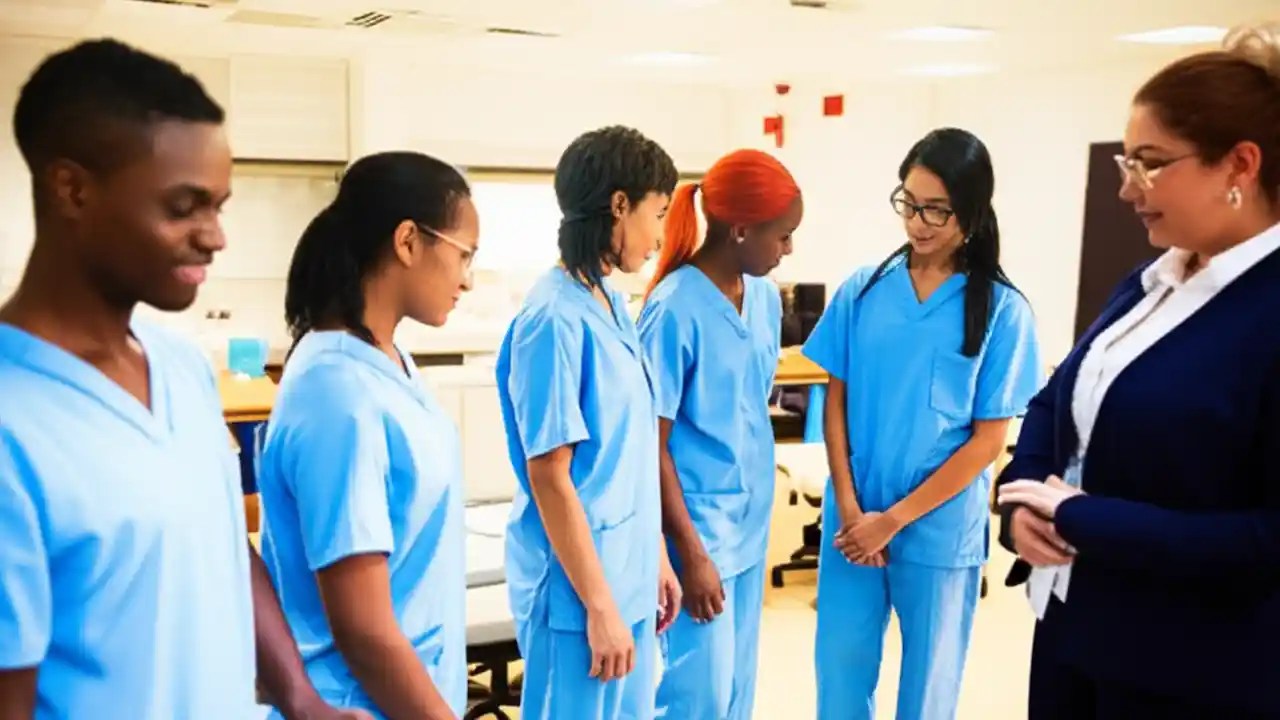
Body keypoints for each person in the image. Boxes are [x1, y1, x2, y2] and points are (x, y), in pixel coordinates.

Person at [0, 39, 368, 720]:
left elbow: (223, 540)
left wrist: (299, 697)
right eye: (183, 207)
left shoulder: (181, 368)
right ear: (72, 189)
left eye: (218, 206)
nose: (215, 236)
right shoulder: (15, 421)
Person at [996, 24, 1280, 719]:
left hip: (1193, 669)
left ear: (1240, 165)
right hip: (1072, 625)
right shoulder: (1152, 282)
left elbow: (1267, 539)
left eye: (1149, 164)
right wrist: (1022, 500)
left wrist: (1083, 516)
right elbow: (1057, 399)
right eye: (1128, 163)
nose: (1128, 189)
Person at [802, 127, 1042, 720]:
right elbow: (835, 403)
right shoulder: (863, 291)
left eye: (937, 209)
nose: (918, 222)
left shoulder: (1004, 312)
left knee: (928, 688)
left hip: (938, 527)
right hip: (853, 519)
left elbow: (988, 442)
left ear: (972, 211)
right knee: (840, 672)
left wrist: (893, 521)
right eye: (909, 203)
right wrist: (853, 509)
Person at [255, 152, 479, 719]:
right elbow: (363, 630)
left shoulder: (385, 358)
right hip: (360, 704)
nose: (467, 280)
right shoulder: (337, 393)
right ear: (408, 241)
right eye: (464, 255)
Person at [495, 125, 682, 720]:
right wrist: (599, 606)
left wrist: (655, 555)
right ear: (619, 205)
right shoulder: (552, 318)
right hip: (578, 596)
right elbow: (551, 475)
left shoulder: (610, 302)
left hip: (626, 574)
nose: (660, 235)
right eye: (658, 213)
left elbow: (627, 456)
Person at [637, 148, 801, 720]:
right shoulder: (673, 308)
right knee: (697, 697)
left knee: (736, 693)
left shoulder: (763, 297)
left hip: (749, 523)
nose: (788, 249)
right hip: (699, 531)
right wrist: (690, 553)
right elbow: (650, 445)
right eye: (783, 236)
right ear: (740, 230)